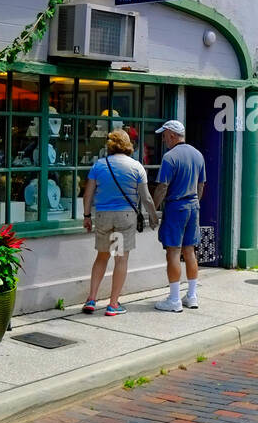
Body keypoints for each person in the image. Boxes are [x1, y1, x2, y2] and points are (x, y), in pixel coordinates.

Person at [81, 130, 157, 317]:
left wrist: (87, 216)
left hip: (103, 216)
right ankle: (113, 304)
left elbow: (88, 194)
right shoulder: (136, 166)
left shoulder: (99, 165)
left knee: (102, 256)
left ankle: (91, 298)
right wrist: (153, 216)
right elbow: (145, 197)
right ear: (128, 145)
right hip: (124, 218)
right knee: (120, 258)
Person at [151, 120, 206, 312]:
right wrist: (195, 203)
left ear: (172, 135)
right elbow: (201, 185)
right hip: (193, 205)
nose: (164, 139)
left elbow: (162, 187)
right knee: (189, 251)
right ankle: (192, 296)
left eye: (165, 135)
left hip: (176, 206)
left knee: (173, 252)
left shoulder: (169, 157)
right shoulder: (198, 155)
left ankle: (174, 299)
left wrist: (152, 210)